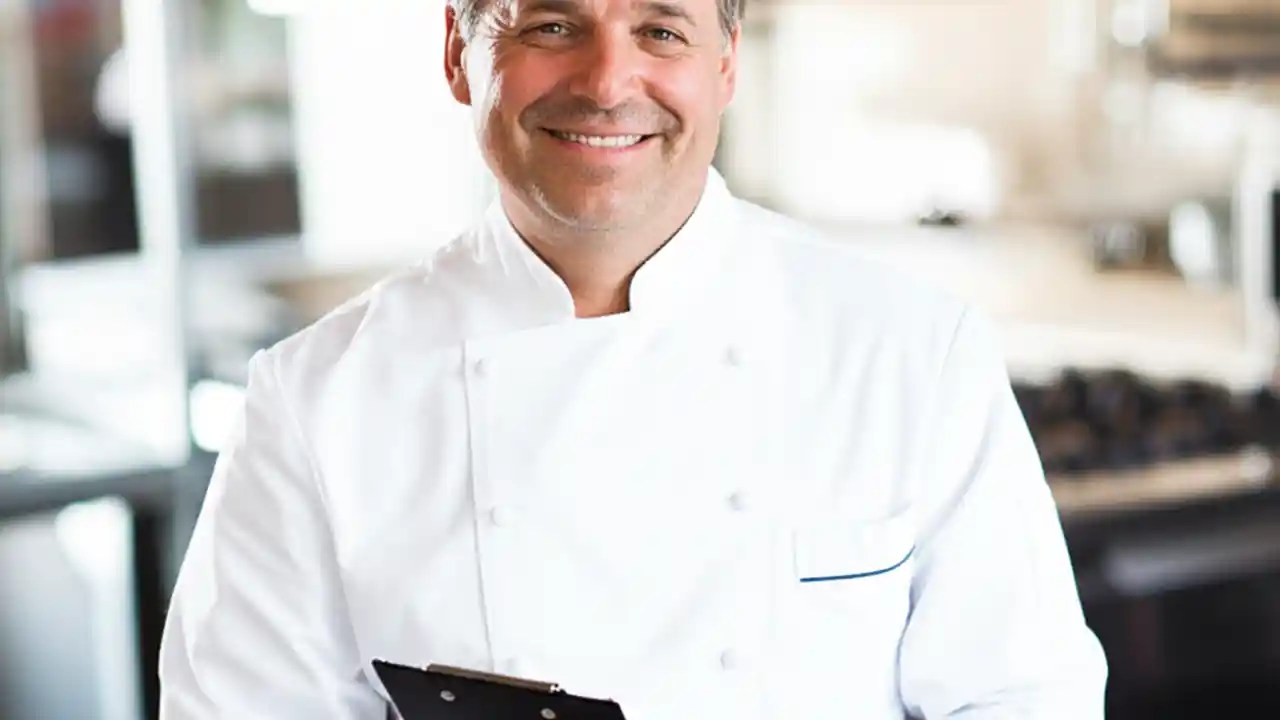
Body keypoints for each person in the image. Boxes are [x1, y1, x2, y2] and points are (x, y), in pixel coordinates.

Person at [158, 0, 1108, 716]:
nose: (608, 82)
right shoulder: (315, 401)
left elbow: (1027, 700)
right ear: (457, 50)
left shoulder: (911, 351)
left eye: (660, 30)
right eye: (553, 25)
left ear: (726, 62)